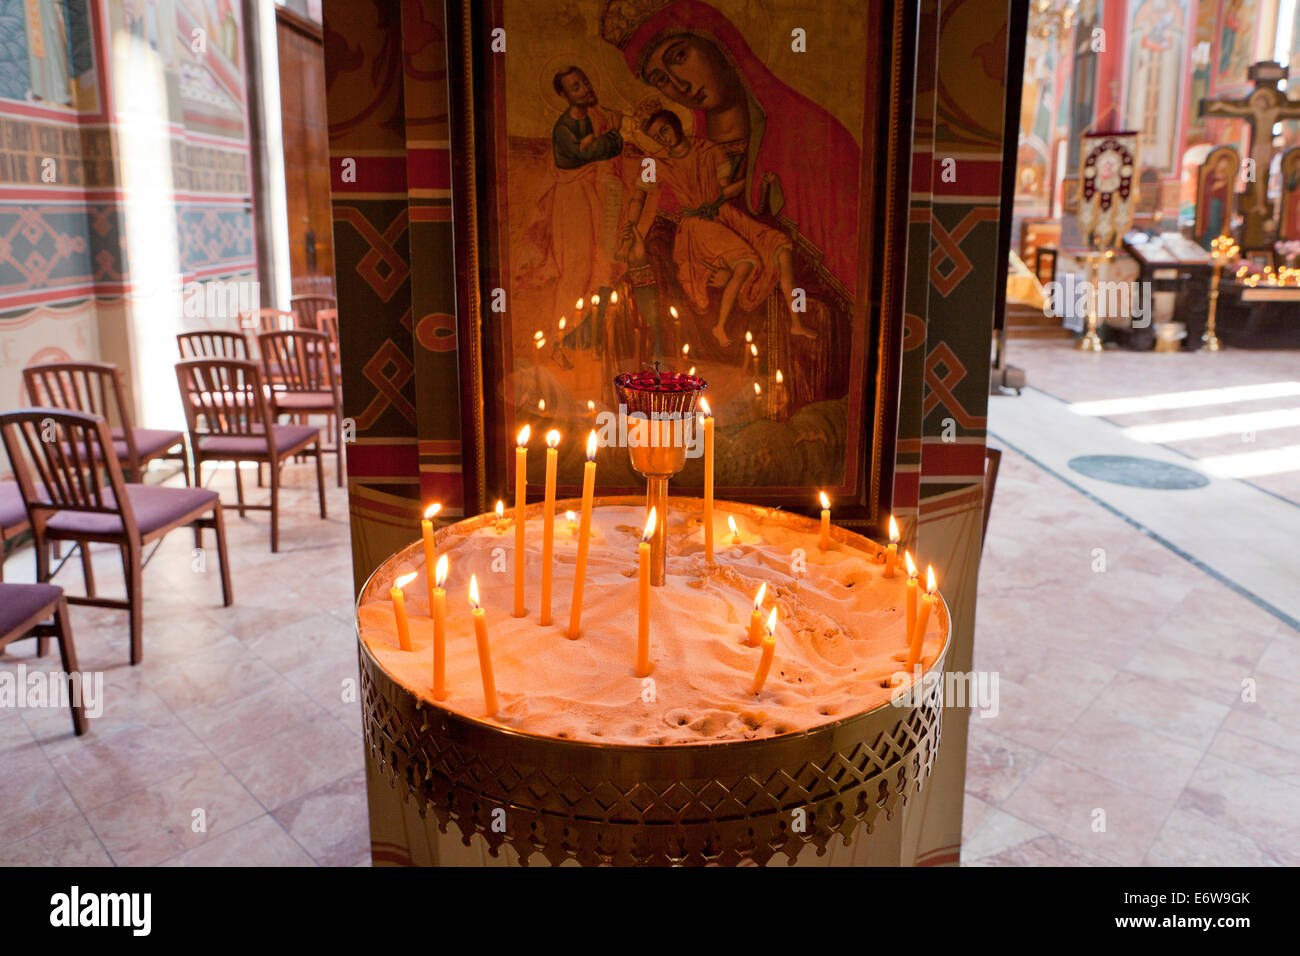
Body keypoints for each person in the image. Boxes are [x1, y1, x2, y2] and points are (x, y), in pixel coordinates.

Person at [620, 110, 811, 346]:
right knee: (746, 261)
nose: (663, 138)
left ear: (677, 124)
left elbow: (724, 191)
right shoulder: (658, 163)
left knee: (780, 246)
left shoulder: (709, 150)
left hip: (724, 214)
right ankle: (719, 327)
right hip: (697, 226)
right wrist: (630, 223)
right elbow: (639, 194)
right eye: (657, 136)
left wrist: (755, 177)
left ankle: (796, 323)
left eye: (665, 130)